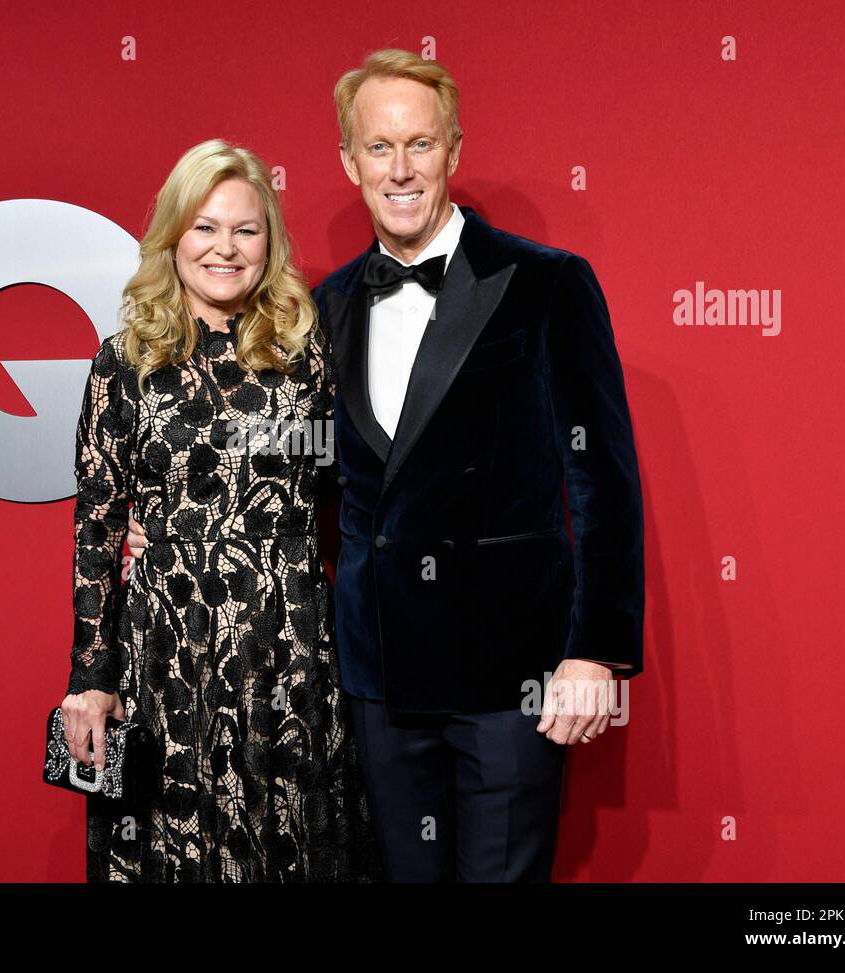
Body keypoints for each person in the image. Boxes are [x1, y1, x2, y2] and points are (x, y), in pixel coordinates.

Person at [127, 50, 645, 882]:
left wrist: (596, 652)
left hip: (511, 672)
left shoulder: (547, 284)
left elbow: (604, 481)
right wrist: (172, 523)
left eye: (419, 144)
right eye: (379, 147)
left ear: (453, 150)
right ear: (349, 161)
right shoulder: (322, 309)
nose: (400, 169)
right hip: (379, 676)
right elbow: (297, 466)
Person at [60, 138, 380, 882]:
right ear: (173, 236)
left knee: (287, 839)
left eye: (246, 229)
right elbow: (97, 529)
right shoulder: (123, 362)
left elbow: (356, 484)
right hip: (165, 649)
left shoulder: (311, 354)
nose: (225, 249)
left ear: (270, 242)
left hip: (288, 641)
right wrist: (90, 677)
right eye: (204, 227)